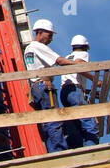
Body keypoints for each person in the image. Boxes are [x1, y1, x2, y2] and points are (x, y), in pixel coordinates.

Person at [24, 19, 82, 153]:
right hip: (45, 87)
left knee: (48, 120)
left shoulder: (28, 48)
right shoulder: (38, 46)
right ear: (39, 32)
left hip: (36, 87)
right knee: (54, 120)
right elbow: (60, 61)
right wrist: (77, 65)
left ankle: (53, 150)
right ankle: (59, 151)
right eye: (49, 35)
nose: (51, 39)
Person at [60, 34, 99, 148]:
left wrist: (85, 90)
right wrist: (94, 79)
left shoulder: (68, 57)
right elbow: (79, 66)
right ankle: (91, 148)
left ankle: (76, 147)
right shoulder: (83, 54)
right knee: (88, 120)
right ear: (85, 46)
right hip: (74, 91)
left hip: (65, 92)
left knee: (75, 123)